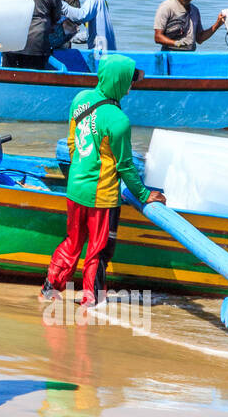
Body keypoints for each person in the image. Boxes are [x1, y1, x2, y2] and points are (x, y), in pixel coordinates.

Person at [40, 54, 164, 313]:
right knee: (97, 249)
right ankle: (91, 301)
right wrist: (144, 195)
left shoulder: (80, 99)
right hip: (102, 196)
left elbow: (73, 142)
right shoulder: (118, 120)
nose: (131, 86)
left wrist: (81, 171)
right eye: (129, 81)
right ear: (119, 82)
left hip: (75, 188)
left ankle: (50, 288)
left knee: (73, 242)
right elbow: (125, 166)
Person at [154, 0, 224, 51]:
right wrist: (176, 43)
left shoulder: (195, 10)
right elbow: (158, 37)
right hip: (171, 54)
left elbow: (200, 39)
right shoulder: (166, 7)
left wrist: (217, 24)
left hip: (190, 55)